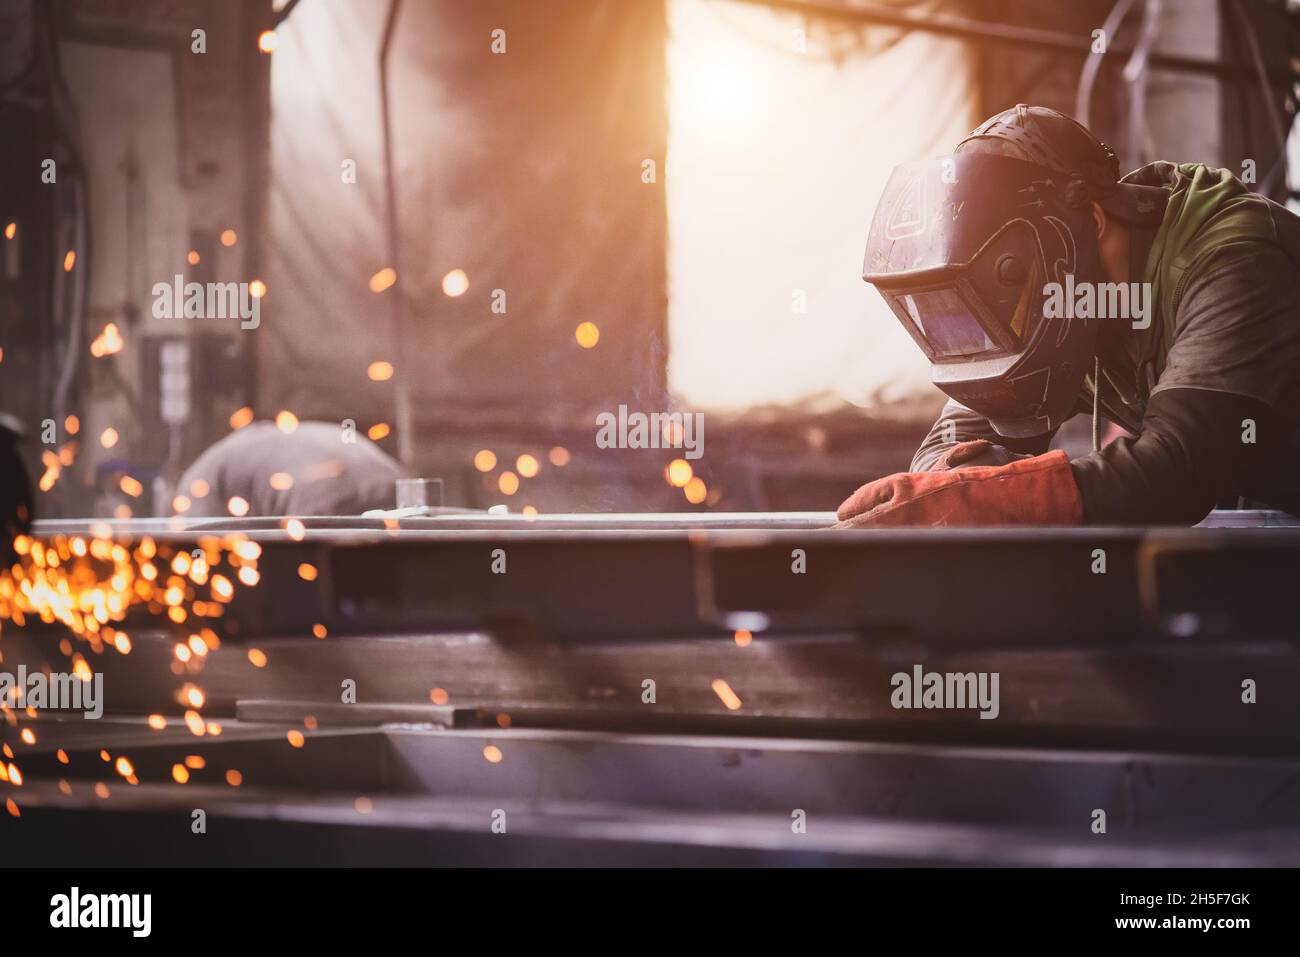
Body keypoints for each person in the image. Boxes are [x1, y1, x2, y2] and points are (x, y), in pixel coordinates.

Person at [838, 104, 1300, 527]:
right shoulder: (1074, 301)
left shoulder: (1230, 260)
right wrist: (962, 483)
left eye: (1015, 276)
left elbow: (1177, 470)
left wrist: (986, 497)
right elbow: (955, 444)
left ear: (1092, 223)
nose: (1012, 312)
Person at [174, 420, 410, 517]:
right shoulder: (231, 453)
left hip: (320, 493)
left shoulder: (196, 487)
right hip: (394, 481)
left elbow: (204, 551)